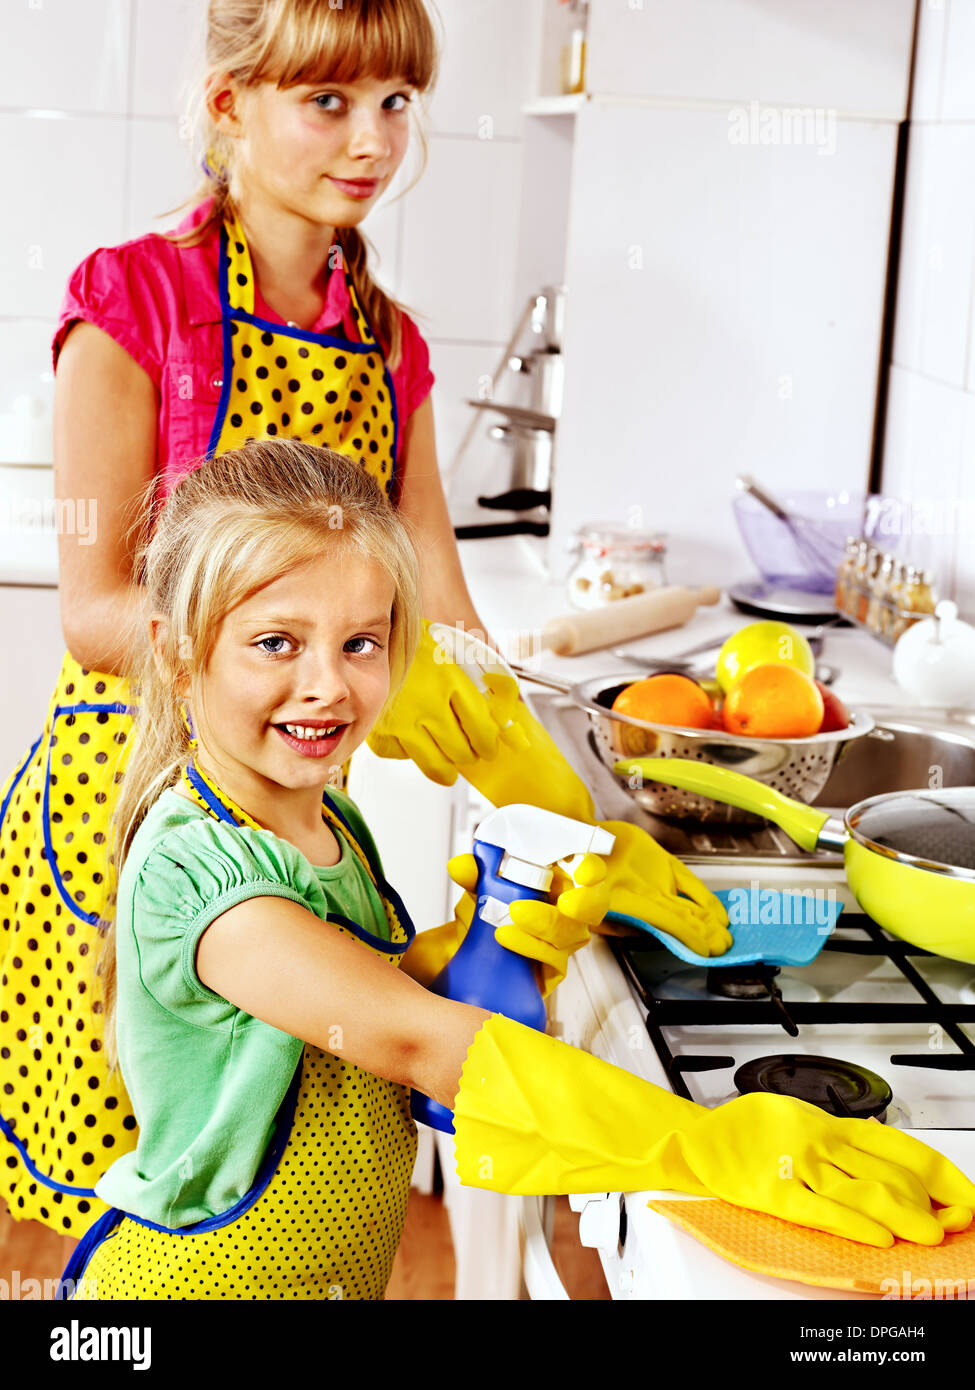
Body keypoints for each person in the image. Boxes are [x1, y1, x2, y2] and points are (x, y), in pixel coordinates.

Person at [0, 0, 730, 1245]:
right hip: (140, 809)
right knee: (156, 1182)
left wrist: (545, 749)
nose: (373, 139)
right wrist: (316, 673)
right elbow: (93, 613)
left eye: (396, 102)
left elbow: (437, 598)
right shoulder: (137, 301)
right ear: (230, 105)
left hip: (299, 814)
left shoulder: (388, 341)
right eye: (328, 101)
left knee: (295, 1161)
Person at [57, 439, 975, 1301]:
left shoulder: (327, 818)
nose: (328, 686)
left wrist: (468, 946)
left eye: (360, 643)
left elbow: (345, 1011)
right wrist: (704, 1142)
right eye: (275, 643)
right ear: (179, 655)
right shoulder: (200, 877)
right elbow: (416, 1043)